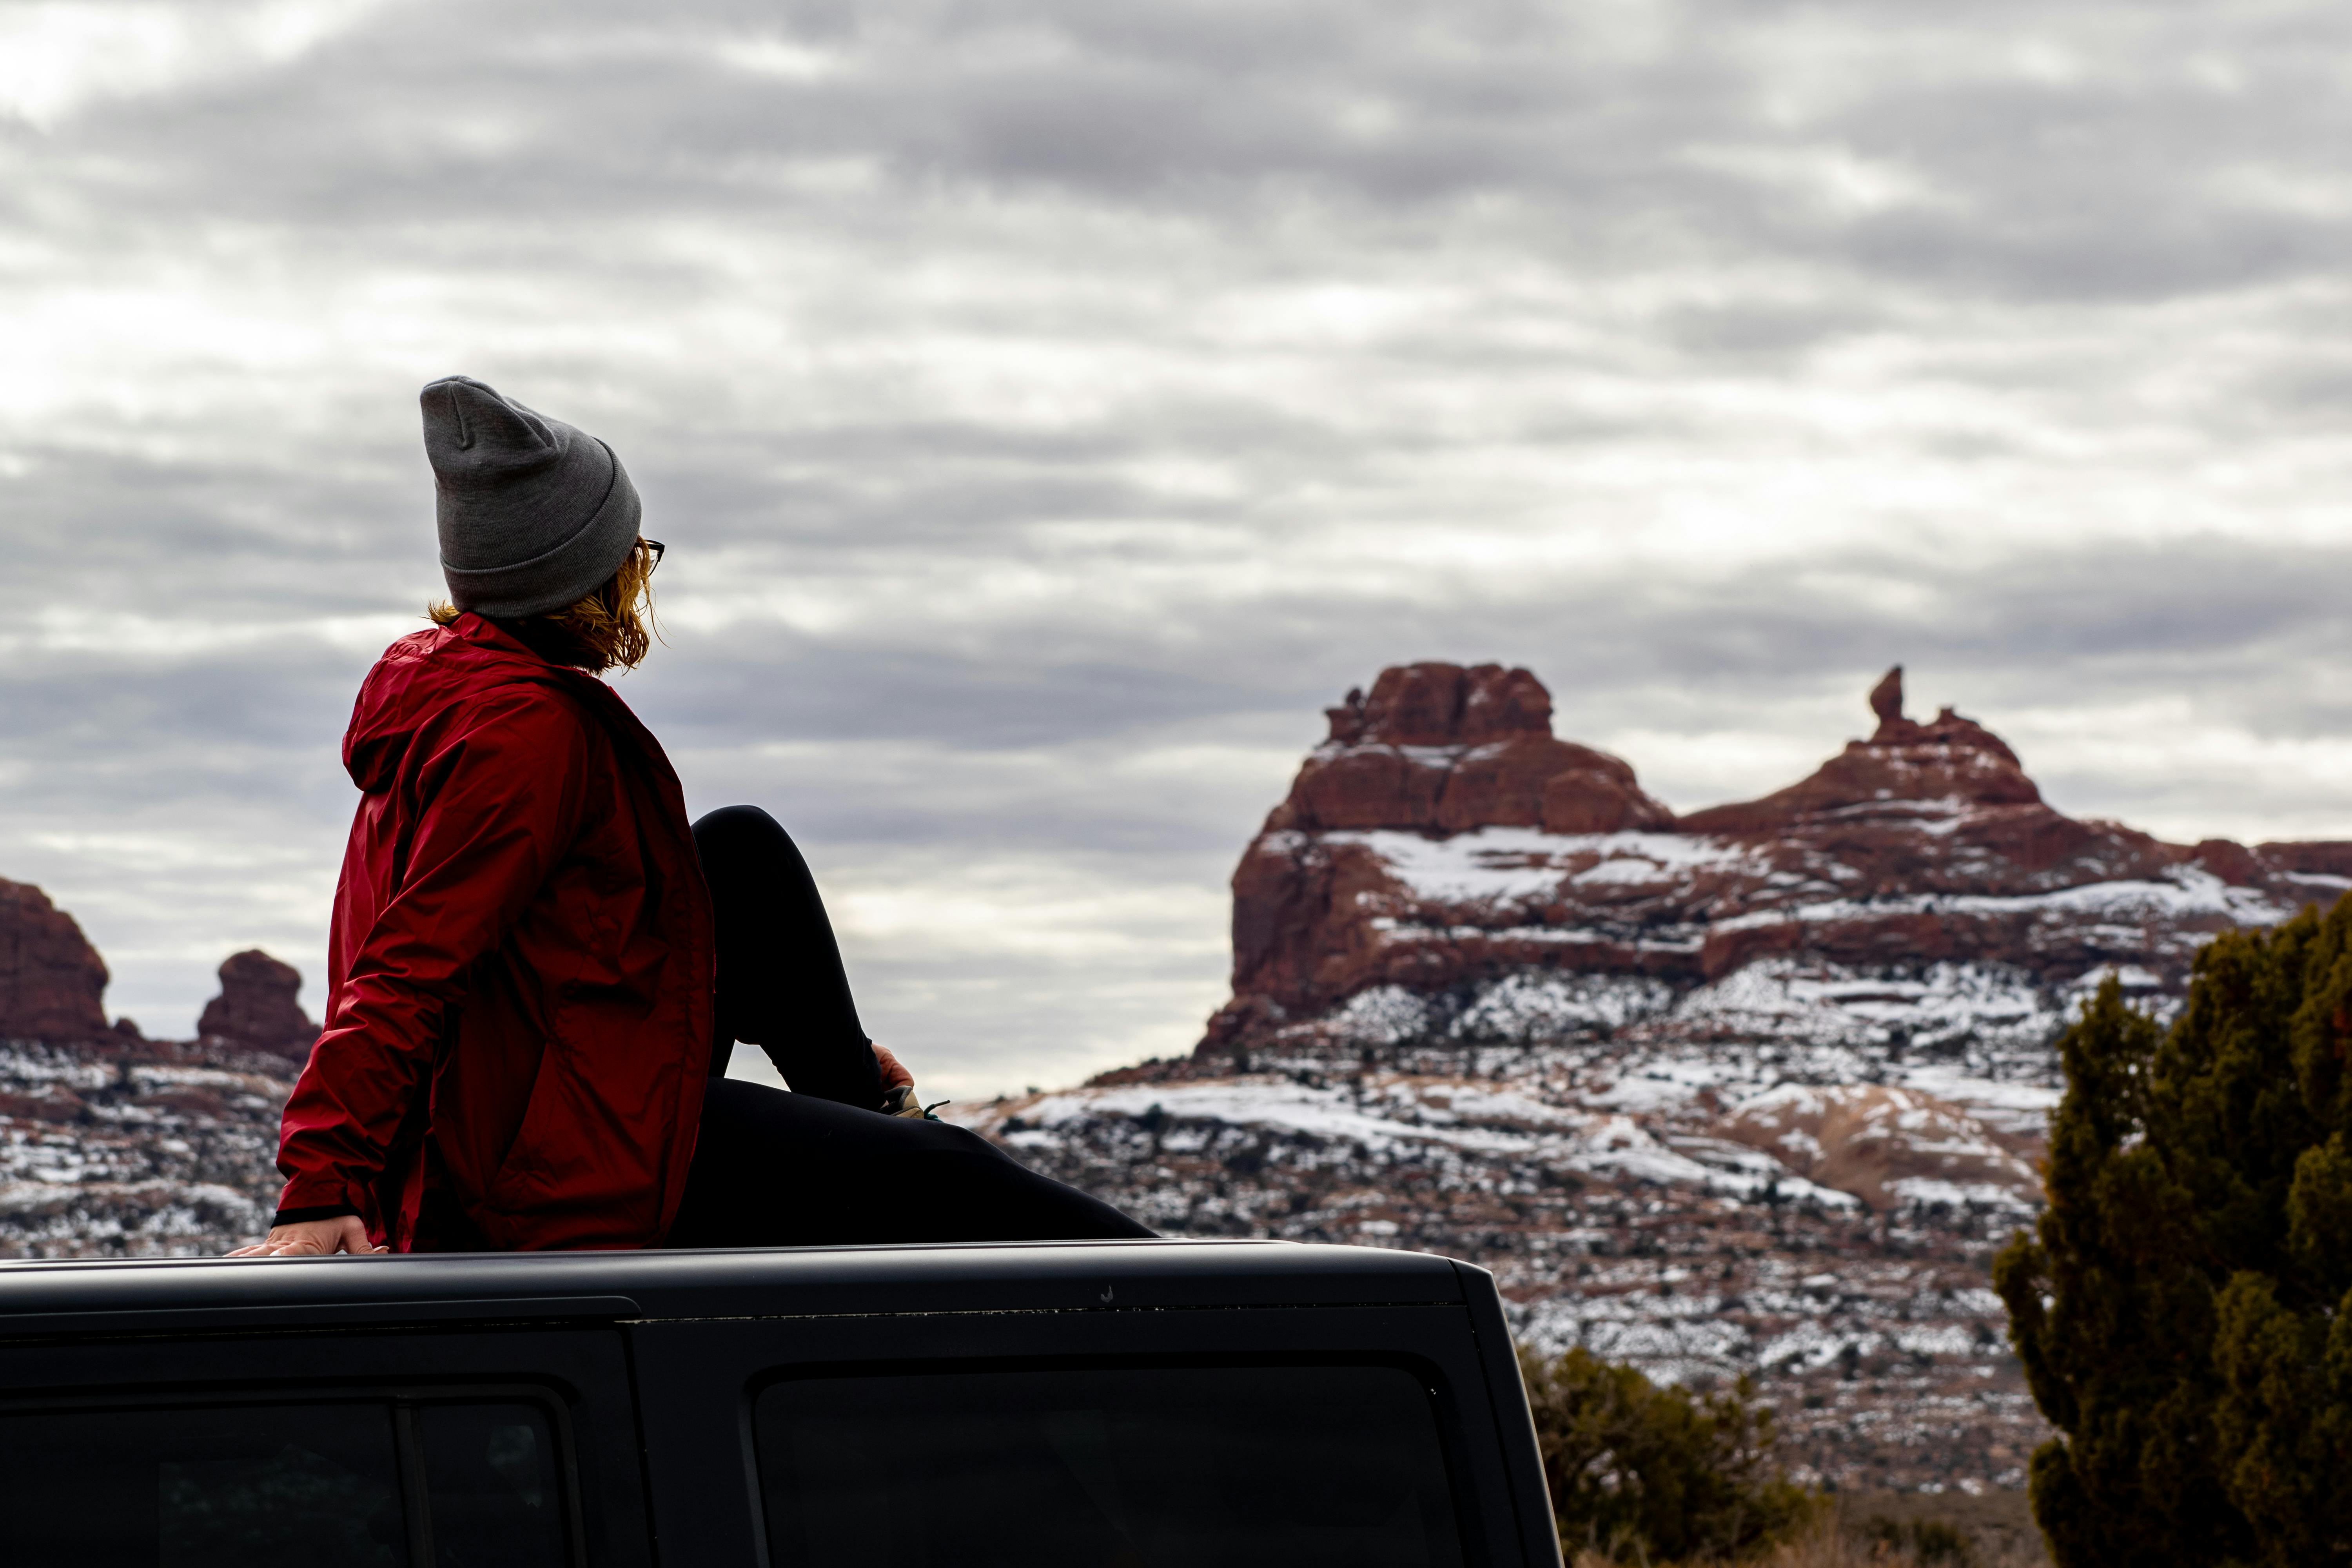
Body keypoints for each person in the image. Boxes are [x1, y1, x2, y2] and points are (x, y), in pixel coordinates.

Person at [230, 376, 1151, 1256]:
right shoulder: (526, 733)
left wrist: (833, 1065)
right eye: (634, 551)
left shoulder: (461, 690)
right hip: (538, 1172)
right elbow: (406, 972)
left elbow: (567, 939)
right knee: (946, 1174)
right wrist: (323, 1186)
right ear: (586, 571)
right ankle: (1252, 1308)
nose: (643, 572)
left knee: (738, 851)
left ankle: (858, 1103)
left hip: (535, 1091)